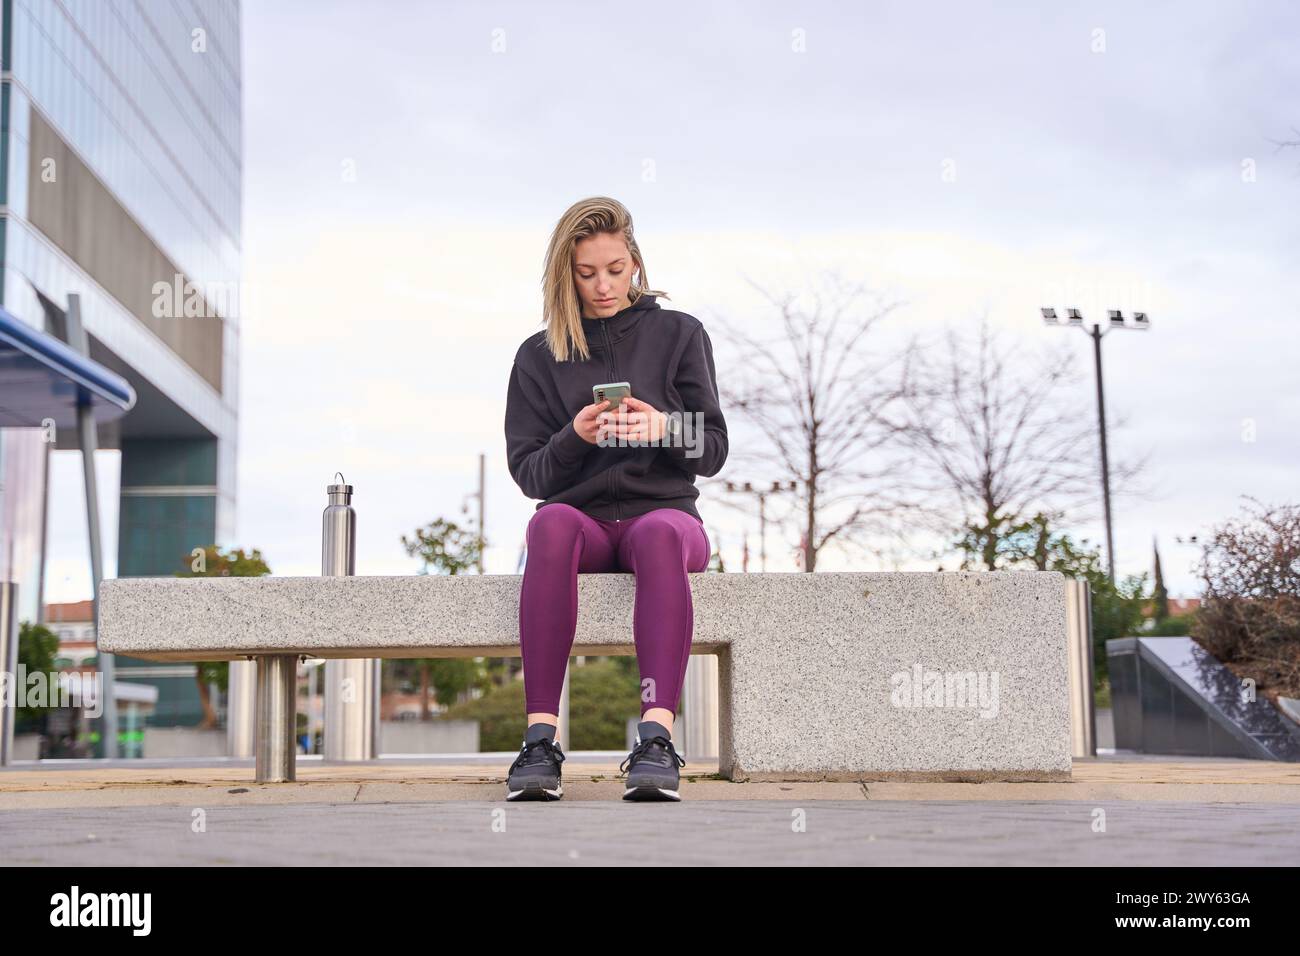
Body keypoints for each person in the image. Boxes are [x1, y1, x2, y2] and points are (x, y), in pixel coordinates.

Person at [502, 196, 728, 801]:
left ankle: (655, 739)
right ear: (563, 276)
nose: (603, 285)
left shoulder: (679, 333)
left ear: (635, 263)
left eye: (616, 269)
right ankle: (539, 741)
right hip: (587, 528)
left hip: (669, 522)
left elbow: (713, 449)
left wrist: (662, 428)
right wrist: (573, 437)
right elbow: (530, 475)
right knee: (548, 524)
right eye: (586, 273)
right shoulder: (537, 355)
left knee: (656, 533)